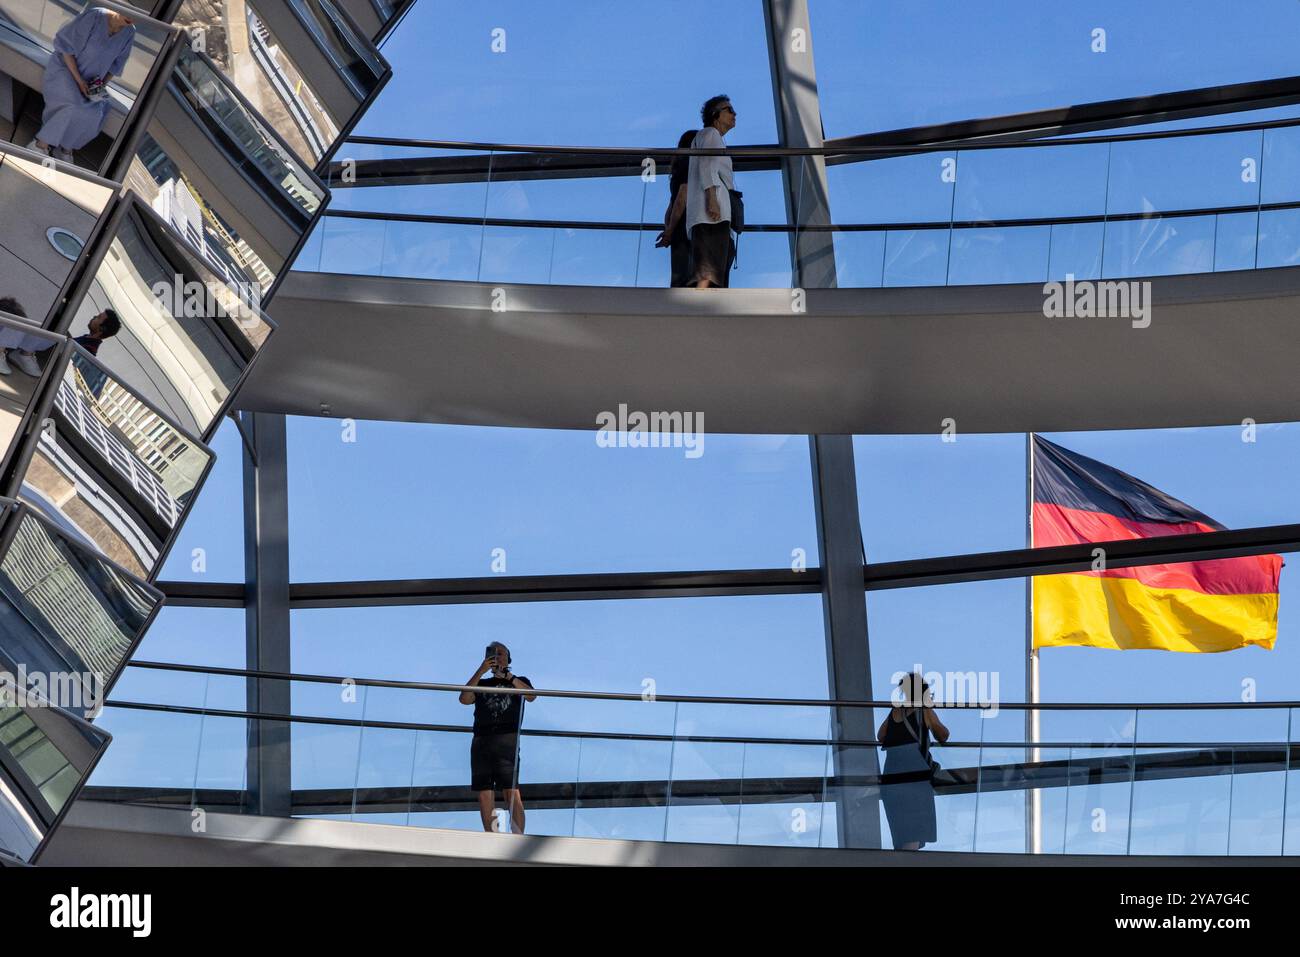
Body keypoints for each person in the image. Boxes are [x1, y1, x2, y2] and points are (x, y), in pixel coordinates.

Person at [28, 6, 137, 163]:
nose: (132, 17)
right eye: (129, 11)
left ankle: (65, 148)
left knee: (96, 113)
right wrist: (79, 81)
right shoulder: (95, 16)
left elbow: (116, 66)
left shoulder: (129, 32)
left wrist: (99, 87)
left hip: (93, 80)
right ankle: (40, 144)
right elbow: (65, 48)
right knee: (72, 106)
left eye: (137, 15)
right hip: (65, 69)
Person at [459, 642, 536, 834]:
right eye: (493, 654)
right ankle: (492, 836)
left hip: (507, 742)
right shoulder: (482, 683)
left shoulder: (519, 680)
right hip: (481, 741)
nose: (497, 656)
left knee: (511, 792)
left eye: (501, 653)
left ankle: (517, 837)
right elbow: (464, 699)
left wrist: (508, 676)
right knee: (485, 793)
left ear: (509, 659)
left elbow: (531, 695)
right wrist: (481, 670)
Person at [877, 672, 950, 850]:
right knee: (914, 829)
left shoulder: (895, 710)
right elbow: (943, 735)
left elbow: (880, 736)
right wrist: (930, 710)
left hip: (891, 775)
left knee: (901, 830)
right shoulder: (923, 710)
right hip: (915, 775)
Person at [686, 95, 737, 288]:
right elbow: (707, 165)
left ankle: (706, 311)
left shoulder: (712, 137)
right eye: (729, 110)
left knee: (713, 270)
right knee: (708, 273)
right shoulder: (710, 133)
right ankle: (701, 312)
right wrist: (712, 200)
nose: (734, 114)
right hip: (711, 217)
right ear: (716, 114)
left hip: (713, 217)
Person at [0, 307, 119, 377]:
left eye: (98, 318)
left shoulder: (87, 350)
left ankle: (23, 354)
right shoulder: (86, 340)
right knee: (32, 318)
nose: (94, 317)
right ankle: (22, 354)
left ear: (101, 329)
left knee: (40, 325)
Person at [655, 129, 698, 287]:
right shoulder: (692, 164)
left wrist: (668, 229)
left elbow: (673, 202)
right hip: (687, 224)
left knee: (679, 276)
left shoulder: (678, 167)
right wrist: (670, 230)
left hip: (678, 225)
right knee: (689, 276)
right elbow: (681, 198)